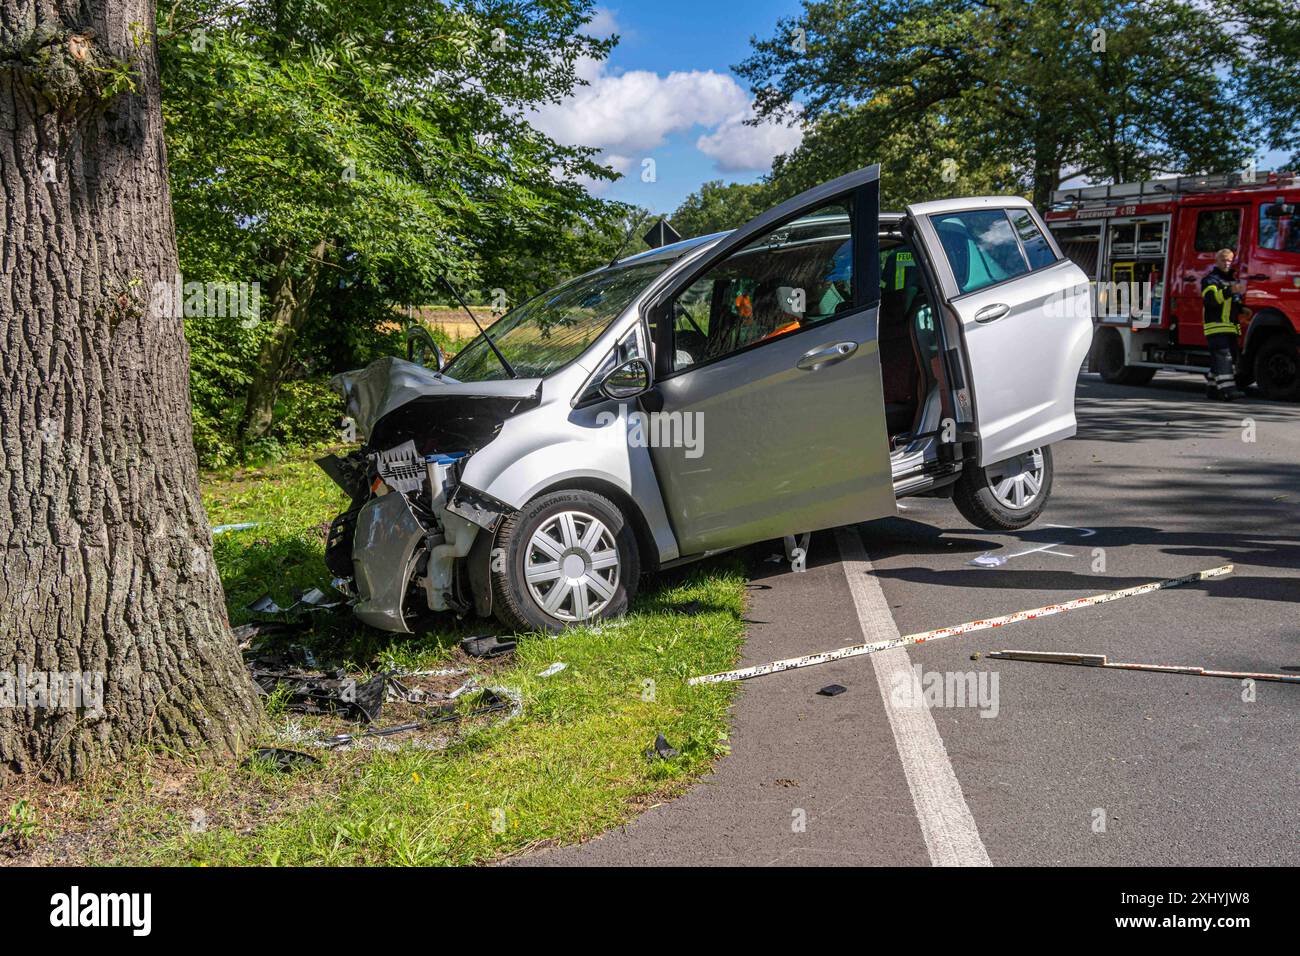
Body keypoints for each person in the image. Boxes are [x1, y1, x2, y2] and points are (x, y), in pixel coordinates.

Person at [1201, 248, 1246, 401]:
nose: (1227, 263)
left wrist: (1242, 308)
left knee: (1227, 358)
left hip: (1230, 326)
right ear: (1217, 261)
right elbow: (1211, 299)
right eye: (1223, 260)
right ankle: (1228, 390)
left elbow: (1233, 302)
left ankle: (1213, 389)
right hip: (1216, 325)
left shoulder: (1232, 279)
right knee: (1224, 357)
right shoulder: (1210, 279)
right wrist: (1229, 291)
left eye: (1229, 260)